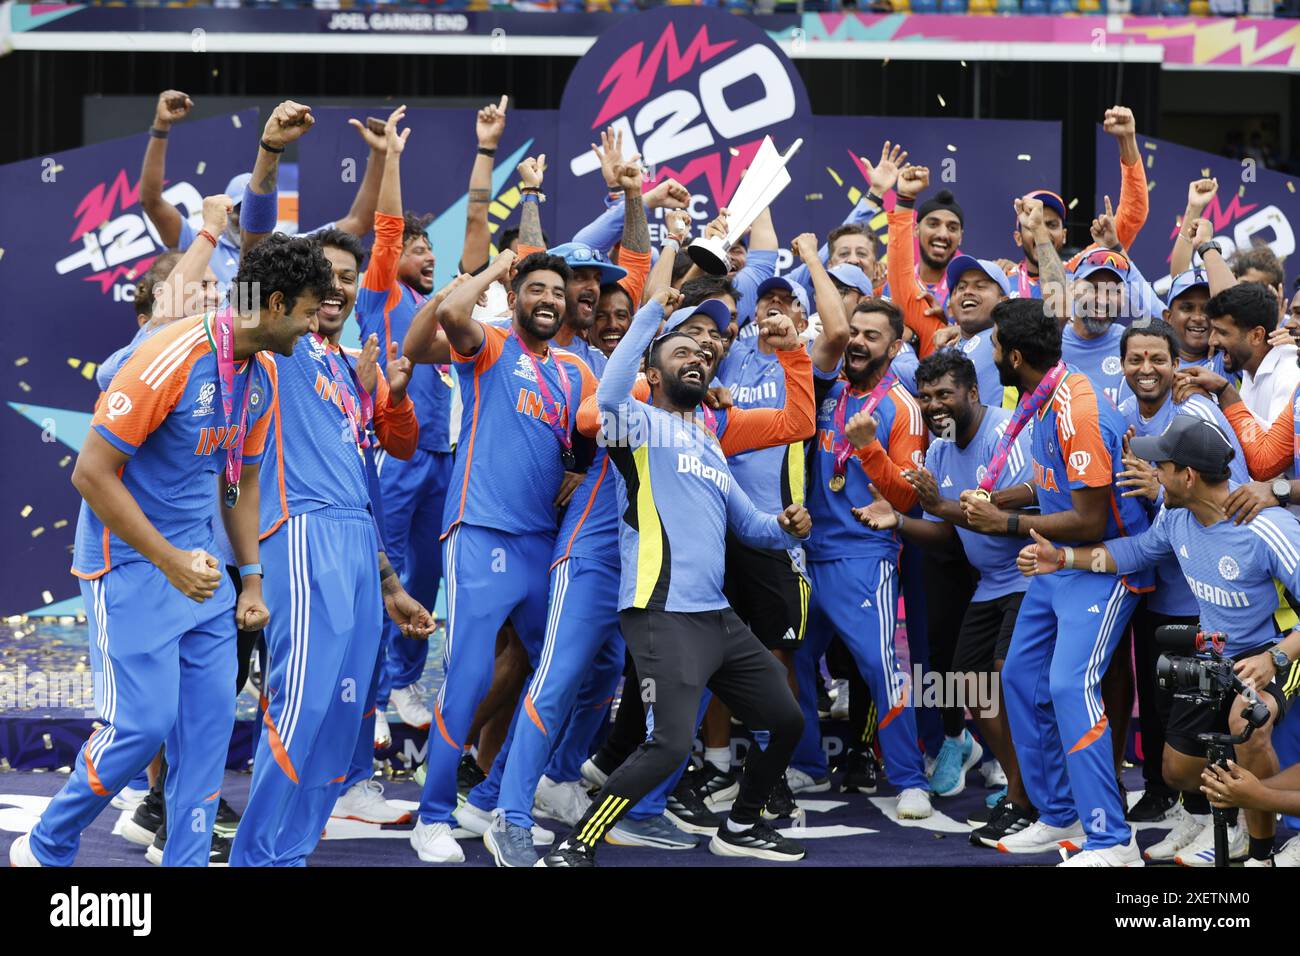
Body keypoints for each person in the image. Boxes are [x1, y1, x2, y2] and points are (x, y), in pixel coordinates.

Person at [10, 234, 331, 868]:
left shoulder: (263, 373)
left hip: (202, 573)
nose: (314, 325)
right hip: (128, 564)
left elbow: (239, 480)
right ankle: (45, 847)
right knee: (141, 727)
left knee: (210, 737)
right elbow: (90, 473)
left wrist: (253, 581)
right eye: (307, 311)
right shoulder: (169, 357)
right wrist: (168, 561)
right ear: (272, 304)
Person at [537, 290, 812, 867]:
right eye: (681, 351)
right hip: (661, 612)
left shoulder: (709, 440)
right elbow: (607, 394)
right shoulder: (634, 421)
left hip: (716, 616)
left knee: (786, 720)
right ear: (652, 373)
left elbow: (753, 527)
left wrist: (788, 527)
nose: (697, 357)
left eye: (703, 354)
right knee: (666, 745)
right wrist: (650, 319)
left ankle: (739, 827)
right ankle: (578, 843)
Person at [233, 215, 436, 865]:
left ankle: (287, 856)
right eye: (322, 278)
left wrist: (390, 584)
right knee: (302, 705)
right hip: (301, 533)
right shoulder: (274, 347)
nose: (336, 289)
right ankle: (253, 856)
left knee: (340, 719)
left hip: (356, 544)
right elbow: (248, 270)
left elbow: (361, 481)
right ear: (289, 293)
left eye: (345, 280)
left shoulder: (341, 366)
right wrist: (269, 157)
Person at [1018, 414, 1300, 866]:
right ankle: (1233, 811)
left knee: (1246, 721)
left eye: (1160, 467)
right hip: (1214, 657)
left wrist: (1276, 656)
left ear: (1187, 476)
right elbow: (1135, 552)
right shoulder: (1175, 516)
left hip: (1279, 647)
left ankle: (1260, 852)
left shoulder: (1268, 528)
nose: (1153, 475)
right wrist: (1063, 556)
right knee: (1177, 770)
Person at [405, 248, 598, 864]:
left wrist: (579, 470)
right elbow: (453, 309)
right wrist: (499, 267)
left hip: (545, 542)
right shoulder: (487, 347)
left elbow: (597, 433)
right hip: (480, 531)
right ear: (516, 298)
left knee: (559, 677)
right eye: (535, 290)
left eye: (556, 294)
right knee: (467, 679)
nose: (547, 300)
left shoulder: (574, 371)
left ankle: (491, 797)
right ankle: (431, 817)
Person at [957, 292, 1153, 866]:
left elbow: (1091, 518)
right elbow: (1052, 485)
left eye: (994, 344)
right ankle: (1060, 813)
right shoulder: (1045, 395)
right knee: (1018, 678)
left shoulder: (1077, 407)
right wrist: (998, 497)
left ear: (1014, 356)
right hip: (1054, 562)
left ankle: (1111, 840)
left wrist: (1007, 521)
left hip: (1102, 565)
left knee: (1070, 688)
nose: (990, 352)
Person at [852, 350, 1033, 841]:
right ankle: (1023, 792)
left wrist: (945, 505)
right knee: (967, 684)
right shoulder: (938, 448)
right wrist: (903, 520)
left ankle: (1027, 795)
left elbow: (1035, 500)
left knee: (1004, 677)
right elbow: (947, 534)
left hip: (1029, 576)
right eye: (926, 396)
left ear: (973, 393)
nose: (934, 406)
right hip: (988, 583)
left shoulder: (1005, 432)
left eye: (945, 394)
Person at [1112, 320, 1253, 854]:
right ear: (1121, 365)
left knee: (1213, 722)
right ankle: (1196, 815)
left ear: (1177, 364)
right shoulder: (1125, 418)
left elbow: (1232, 493)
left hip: (1207, 600)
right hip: (1155, 595)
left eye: (1157, 359)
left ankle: (1234, 823)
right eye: (1135, 359)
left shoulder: (1197, 413)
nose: (1146, 369)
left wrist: (1161, 492)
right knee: (1170, 719)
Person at [797, 295, 933, 819]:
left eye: (872, 336)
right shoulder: (828, 388)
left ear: (895, 347)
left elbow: (906, 500)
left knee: (880, 666)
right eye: (854, 331)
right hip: (805, 551)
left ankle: (908, 778)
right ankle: (807, 765)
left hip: (862, 555)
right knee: (793, 660)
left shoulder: (904, 405)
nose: (856, 341)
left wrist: (871, 448)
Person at [352, 105, 458, 742]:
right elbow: (387, 229)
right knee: (382, 569)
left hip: (441, 458)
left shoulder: (438, 311)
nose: (423, 255)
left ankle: (403, 678)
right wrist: (391, 157)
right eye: (414, 249)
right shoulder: (380, 294)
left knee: (429, 575)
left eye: (429, 250)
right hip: (394, 453)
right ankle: (369, 695)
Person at [138, 91, 382, 285]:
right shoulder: (197, 243)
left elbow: (359, 221)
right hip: (207, 344)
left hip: (253, 338)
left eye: (251, 209)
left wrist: (381, 155)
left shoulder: (286, 250)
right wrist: (160, 127)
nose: (244, 218)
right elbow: (151, 201)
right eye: (238, 208)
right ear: (224, 211)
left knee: (251, 295)